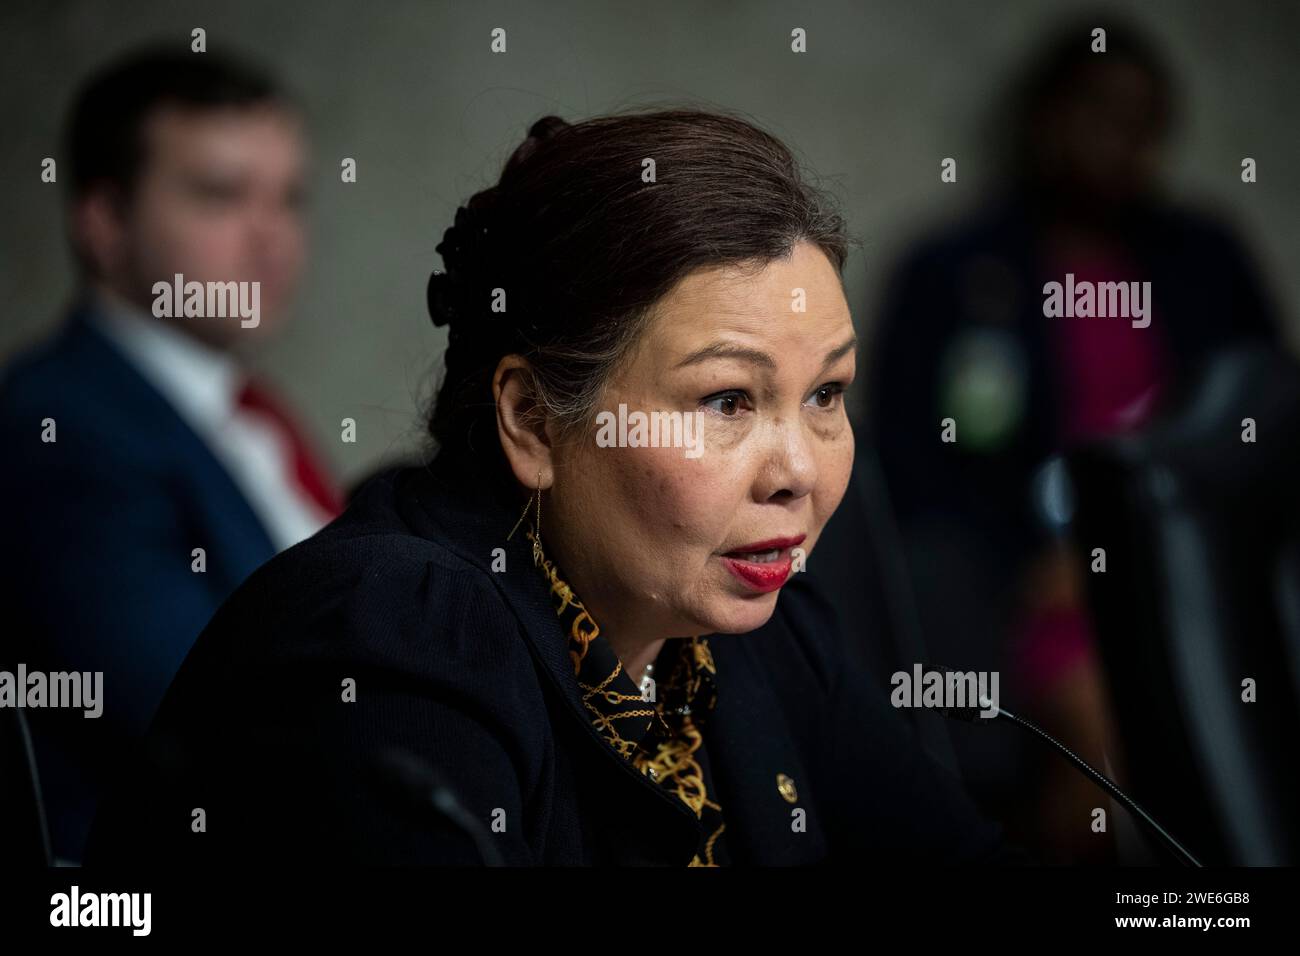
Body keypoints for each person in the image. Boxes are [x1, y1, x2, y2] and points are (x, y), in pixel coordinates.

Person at [87, 110, 1014, 865]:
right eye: (728, 400)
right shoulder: (394, 633)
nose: (800, 474)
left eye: (827, 395)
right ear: (533, 421)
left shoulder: (759, 630)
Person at [0, 47, 340, 864]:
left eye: (288, 199)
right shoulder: (60, 426)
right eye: (221, 196)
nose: (272, 240)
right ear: (104, 220)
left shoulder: (249, 416)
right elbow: (211, 724)